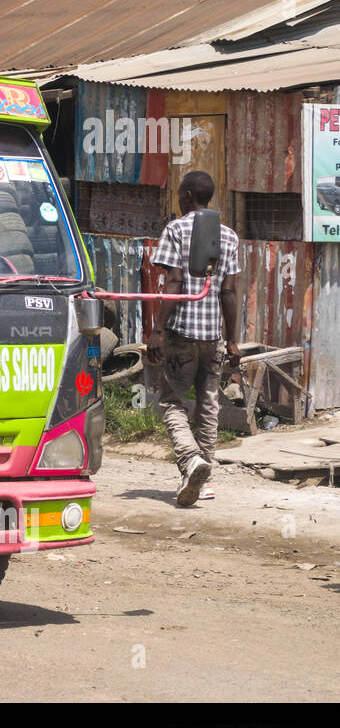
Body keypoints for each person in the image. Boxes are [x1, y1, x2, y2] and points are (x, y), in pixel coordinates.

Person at [146, 170, 242, 508]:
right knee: (208, 405)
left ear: (187, 195)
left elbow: (173, 282)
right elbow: (228, 292)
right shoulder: (229, 236)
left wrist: (158, 330)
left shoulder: (175, 229)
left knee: (172, 403)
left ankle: (190, 461)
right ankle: (206, 480)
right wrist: (232, 341)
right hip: (213, 337)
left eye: (180, 194)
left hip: (181, 336)